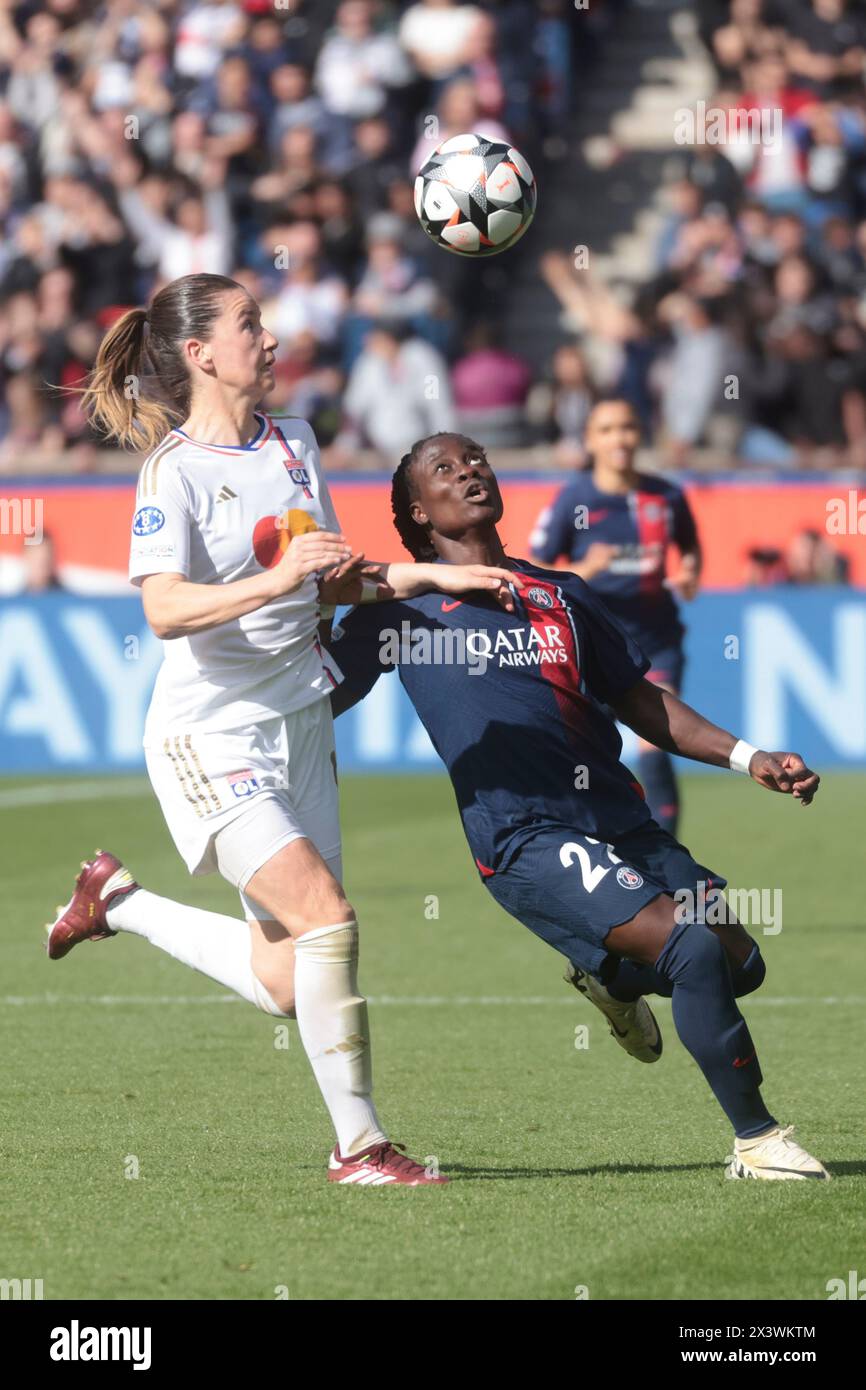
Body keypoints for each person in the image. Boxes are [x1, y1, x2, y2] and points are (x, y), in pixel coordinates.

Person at [42, 273, 515, 1188]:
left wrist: (428, 581)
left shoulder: (294, 441)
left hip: (299, 724)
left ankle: (118, 900)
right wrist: (275, 579)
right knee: (328, 919)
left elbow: (329, 577)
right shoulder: (171, 472)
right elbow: (167, 609)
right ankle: (363, 1150)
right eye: (249, 323)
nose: (271, 335)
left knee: (289, 982)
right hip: (210, 737)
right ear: (200, 354)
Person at [327, 431, 829, 1181]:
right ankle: (757, 1141)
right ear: (415, 510)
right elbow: (317, 694)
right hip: (523, 835)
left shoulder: (560, 592)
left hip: (620, 819)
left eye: (476, 459)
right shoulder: (403, 611)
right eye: (444, 468)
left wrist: (748, 756)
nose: (469, 470)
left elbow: (639, 700)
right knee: (690, 946)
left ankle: (614, 980)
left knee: (738, 963)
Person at [531, 398, 700, 836]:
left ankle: (668, 857)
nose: (619, 439)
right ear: (589, 440)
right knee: (592, 758)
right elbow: (536, 568)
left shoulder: (666, 495)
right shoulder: (575, 499)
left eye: (626, 427)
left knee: (656, 745)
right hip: (592, 645)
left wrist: (689, 573)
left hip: (654, 640)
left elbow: (690, 549)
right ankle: (604, 850)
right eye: (606, 430)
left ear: (638, 434)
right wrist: (588, 569)